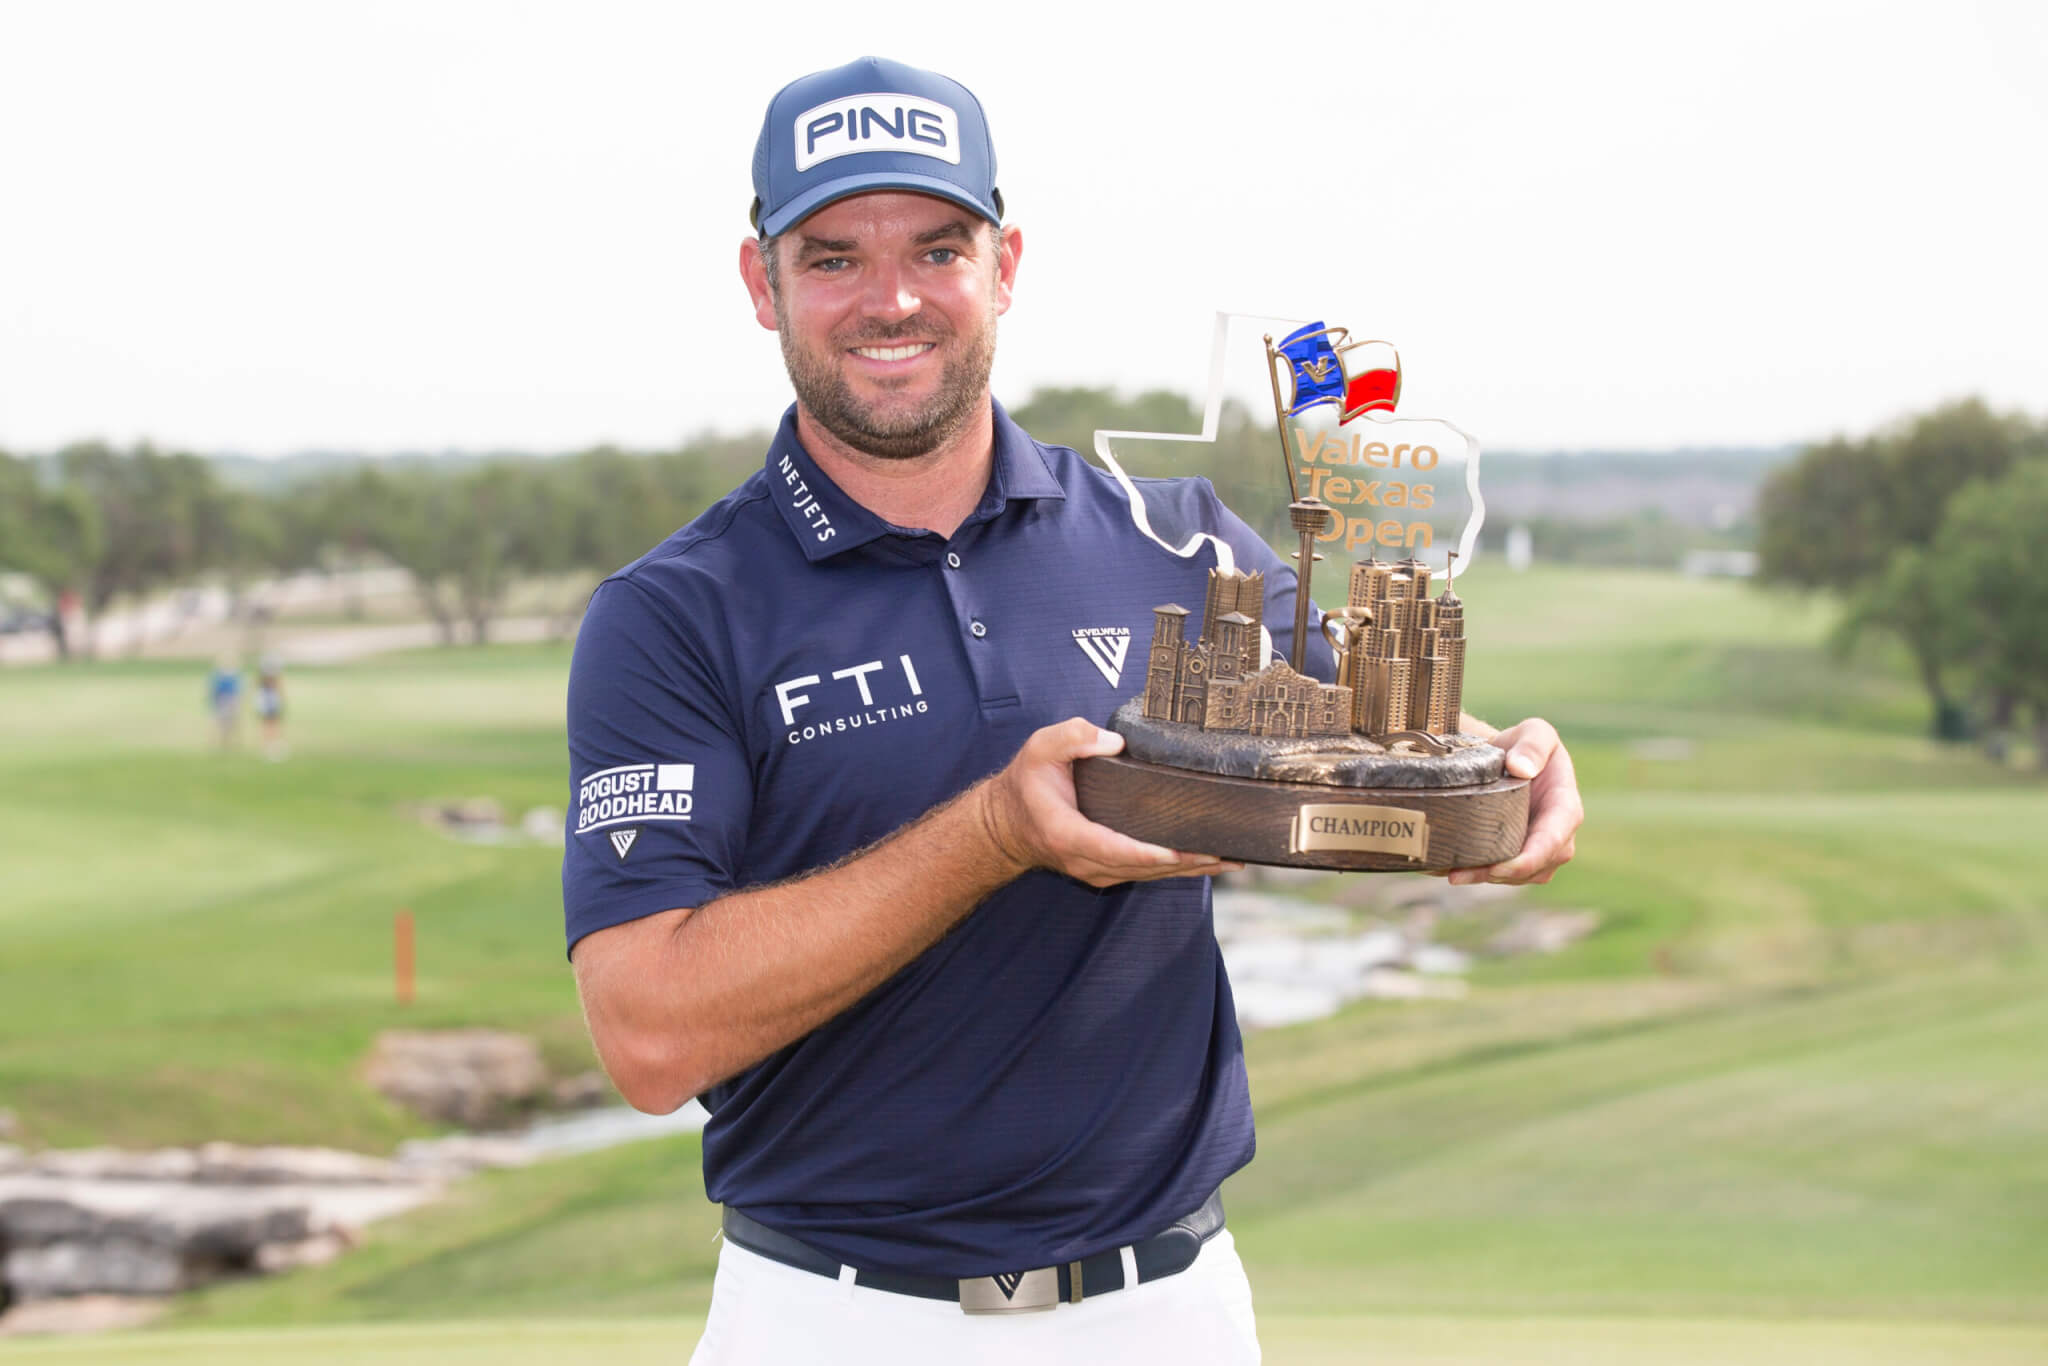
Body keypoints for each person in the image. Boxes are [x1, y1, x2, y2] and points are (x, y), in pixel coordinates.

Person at [563, 57, 1582, 1365]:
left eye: (939, 247)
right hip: (831, 1318)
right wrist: (995, 829)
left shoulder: (1182, 543)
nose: (893, 300)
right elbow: (648, 1032)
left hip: (1169, 1310)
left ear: (1006, 264)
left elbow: (1375, 742)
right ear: (761, 283)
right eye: (832, 257)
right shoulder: (676, 612)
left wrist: (1506, 775)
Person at [254, 652, 287, 761]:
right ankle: (270, 746)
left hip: (268, 702)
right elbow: (278, 687)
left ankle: (271, 745)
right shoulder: (268, 678)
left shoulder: (264, 677)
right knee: (270, 724)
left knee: (271, 724)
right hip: (268, 702)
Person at [207, 655, 242, 748]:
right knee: (221, 723)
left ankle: (231, 742)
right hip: (222, 701)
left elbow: (237, 690)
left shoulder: (234, 675)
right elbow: (214, 691)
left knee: (232, 723)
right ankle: (218, 742)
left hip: (231, 701)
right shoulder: (219, 676)